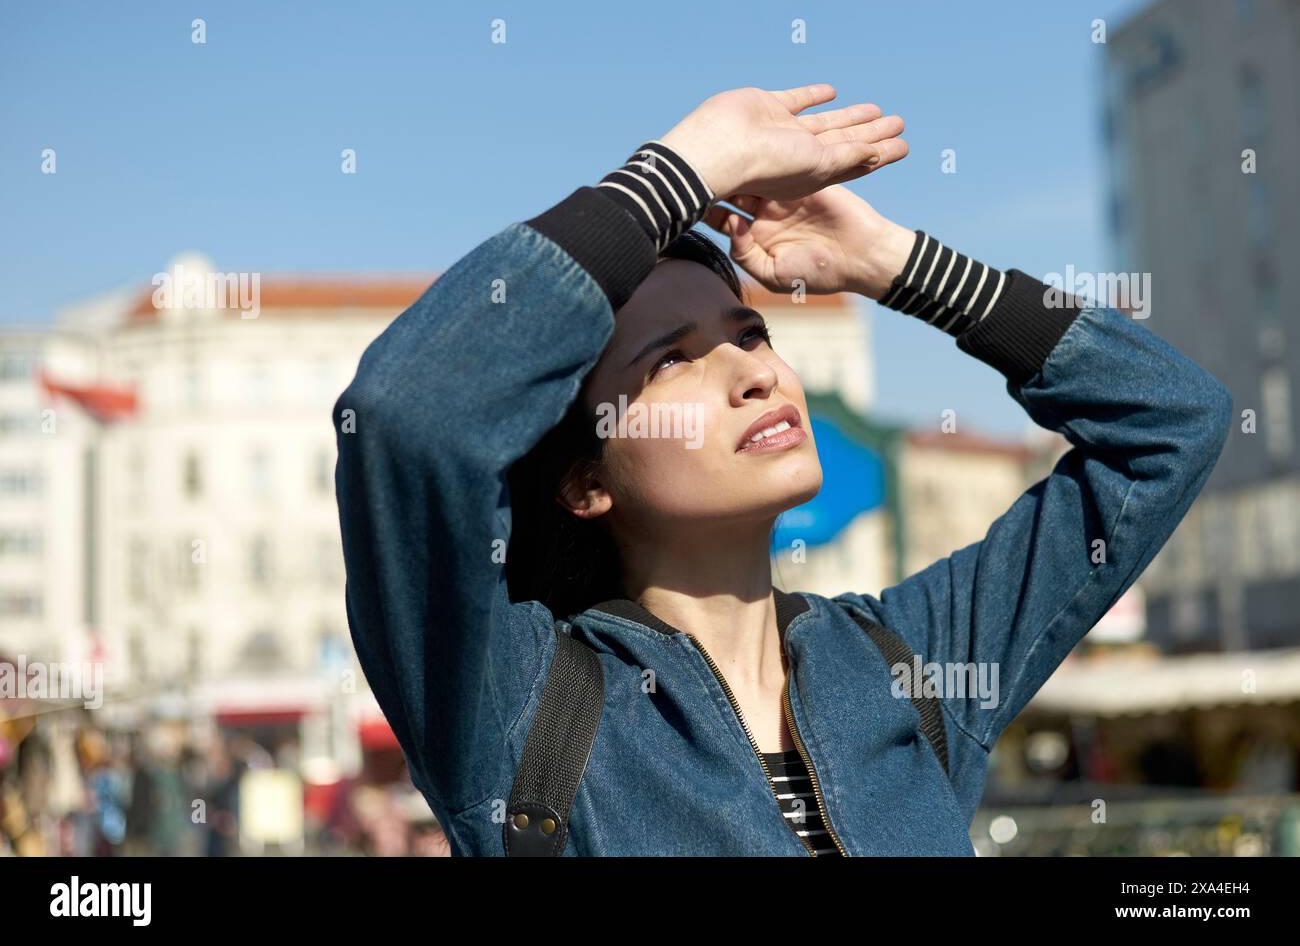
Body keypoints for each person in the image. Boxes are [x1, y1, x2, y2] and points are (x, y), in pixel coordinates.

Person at [333, 84, 1233, 856]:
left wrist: (896, 265)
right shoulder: (517, 704)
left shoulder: (909, 664)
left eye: (751, 332)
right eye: (671, 362)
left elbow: (1169, 426)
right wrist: (676, 170)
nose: (757, 373)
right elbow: (411, 416)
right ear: (584, 482)